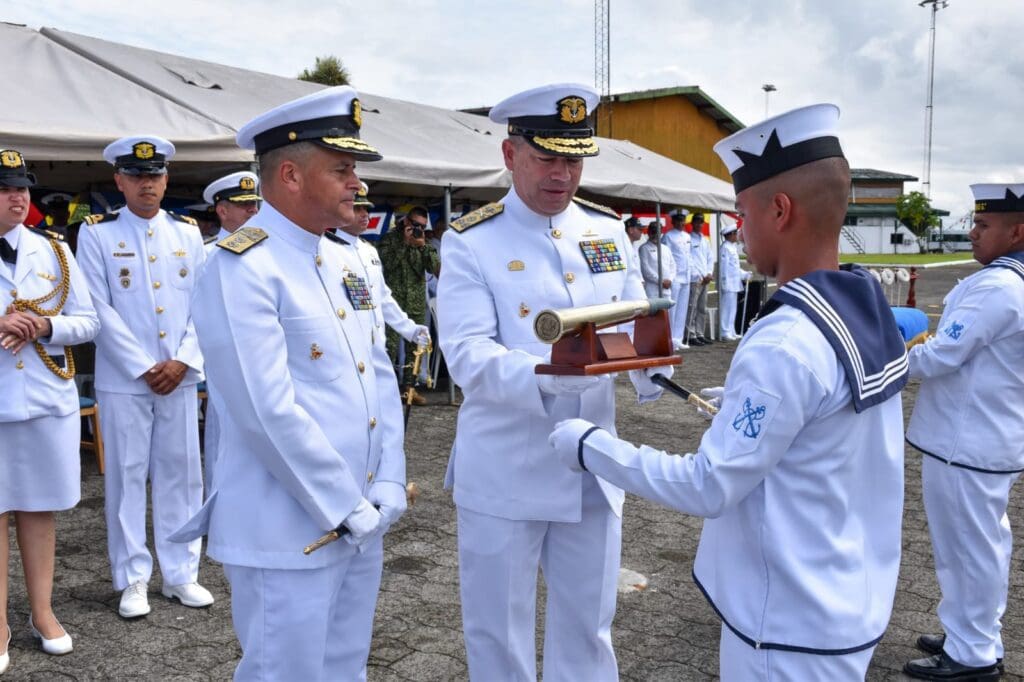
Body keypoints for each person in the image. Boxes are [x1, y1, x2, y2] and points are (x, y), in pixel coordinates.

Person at [548, 104, 909, 680]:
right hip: (849, 600)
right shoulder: (862, 303)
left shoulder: (784, 341)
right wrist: (748, 403)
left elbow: (708, 485)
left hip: (787, 627)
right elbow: (830, 422)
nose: (739, 229)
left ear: (780, 210)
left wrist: (590, 445)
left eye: (742, 212)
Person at [170, 85, 406, 681]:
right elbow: (263, 408)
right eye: (343, 169)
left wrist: (391, 480)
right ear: (292, 176)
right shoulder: (240, 265)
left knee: (345, 670)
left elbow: (378, 375)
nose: (357, 183)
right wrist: (344, 503)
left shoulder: (347, 258)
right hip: (288, 529)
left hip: (360, 516)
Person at [438, 82, 669, 681]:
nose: (562, 174)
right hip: (507, 467)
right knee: (499, 634)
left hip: (592, 467)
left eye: (574, 158)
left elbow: (628, 321)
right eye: (547, 157)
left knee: (590, 629)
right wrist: (549, 377)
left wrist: (652, 369)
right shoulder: (471, 240)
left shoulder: (606, 230)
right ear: (510, 154)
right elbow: (465, 354)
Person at [75, 135, 212, 619]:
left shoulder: (189, 234)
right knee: (128, 479)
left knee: (182, 475)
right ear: (119, 180)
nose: (146, 183)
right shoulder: (96, 234)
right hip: (124, 380)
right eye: (135, 175)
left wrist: (182, 360)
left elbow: (204, 305)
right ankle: (133, 577)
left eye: (153, 175)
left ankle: (180, 574)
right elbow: (97, 308)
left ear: (166, 179)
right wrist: (143, 365)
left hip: (179, 374)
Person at [902, 183, 1024, 682]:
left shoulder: (997, 287)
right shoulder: (1007, 279)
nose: (971, 233)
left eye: (983, 226)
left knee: (967, 550)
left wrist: (874, 361)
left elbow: (939, 355)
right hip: (986, 440)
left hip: (967, 444)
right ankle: (971, 632)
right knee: (984, 545)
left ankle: (972, 656)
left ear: (1017, 231)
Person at [0, 149, 98, 669]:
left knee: (38, 510)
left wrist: (44, 326)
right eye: (5, 188)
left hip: (44, 399)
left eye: (23, 188)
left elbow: (88, 322)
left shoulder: (55, 251)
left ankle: (42, 611)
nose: (18, 197)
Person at [378, 205, 439, 404]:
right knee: (390, 347)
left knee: (416, 348)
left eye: (422, 225)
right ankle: (385, 391)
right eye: (414, 224)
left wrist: (421, 245)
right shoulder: (389, 240)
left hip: (415, 304)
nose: (417, 228)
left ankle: (409, 389)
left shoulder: (423, 242)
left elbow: (437, 269)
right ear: (405, 222)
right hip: (393, 305)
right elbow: (386, 265)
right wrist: (404, 243)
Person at [201, 171, 261, 247]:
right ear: (222, 211)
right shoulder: (208, 252)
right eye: (244, 203)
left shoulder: (267, 244)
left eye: (253, 203)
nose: (254, 209)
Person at [662, 209, 691, 349]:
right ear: (673, 222)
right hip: (675, 276)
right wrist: (668, 276)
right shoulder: (668, 236)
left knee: (682, 308)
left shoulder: (686, 236)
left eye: (683, 220)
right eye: (678, 220)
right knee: (672, 309)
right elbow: (666, 258)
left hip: (686, 275)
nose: (681, 223)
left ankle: (678, 338)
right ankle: (670, 338)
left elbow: (689, 256)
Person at [717, 223, 750, 341]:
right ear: (730, 235)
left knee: (732, 308)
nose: (736, 236)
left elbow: (734, 267)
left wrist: (744, 274)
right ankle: (724, 331)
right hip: (728, 283)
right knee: (726, 308)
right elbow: (724, 268)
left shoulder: (732, 247)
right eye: (735, 233)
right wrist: (724, 282)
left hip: (734, 282)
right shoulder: (725, 248)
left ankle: (731, 330)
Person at [686, 213, 714, 345]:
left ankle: (700, 332)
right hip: (696, 278)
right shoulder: (689, 239)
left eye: (701, 222)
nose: (699, 224)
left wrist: (709, 273)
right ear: (692, 224)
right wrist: (699, 275)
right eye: (696, 222)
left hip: (705, 278)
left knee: (702, 308)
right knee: (692, 307)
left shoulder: (705, 240)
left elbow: (710, 258)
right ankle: (690, 334)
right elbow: (689, 259)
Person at [638, 220, 676, 299]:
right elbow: (645, 270)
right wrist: (661, 281)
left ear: (661, 233)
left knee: (666, 311)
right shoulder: (644, 248)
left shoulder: (666, 248)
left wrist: (670, 280)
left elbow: (673, 266)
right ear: (648, 233)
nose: (655, 235)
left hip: (666, 288)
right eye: (653, 232)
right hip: (652, 289)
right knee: (654, 311)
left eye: (658, 232)